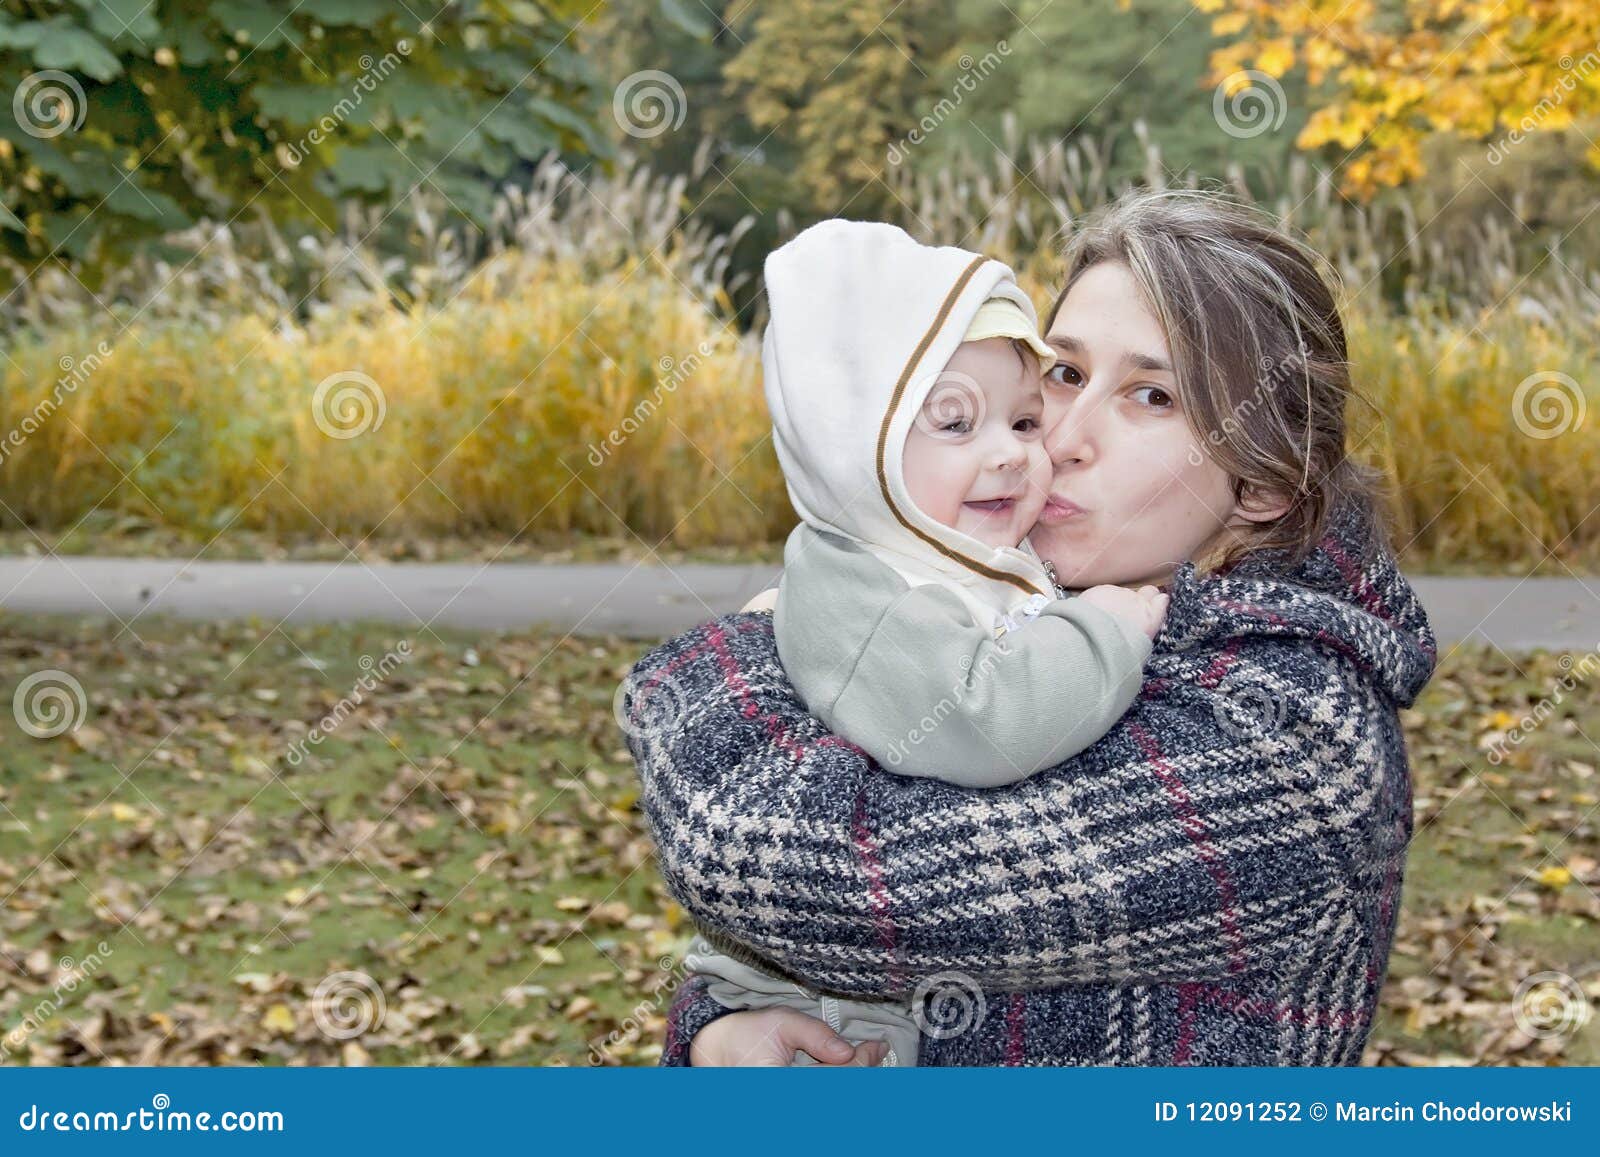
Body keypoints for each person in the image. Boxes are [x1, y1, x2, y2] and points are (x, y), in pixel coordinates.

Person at [625, 189, 1437, 1067]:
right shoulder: (1007, 607)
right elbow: (797, 956)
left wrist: (730, 657)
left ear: (1266, 481)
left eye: (1153, 395)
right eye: (1063, 373)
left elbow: (814, 876)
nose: (1066, 436)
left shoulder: (1290, 733)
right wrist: (718, 1033)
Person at [675, 219, 1166, 1067]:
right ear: (853, 447)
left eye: (1020, 420)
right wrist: (1108, 630)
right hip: (837, 1003)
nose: (1017, 455)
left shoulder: (948, 559)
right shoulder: (865, 583)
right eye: (954, 423)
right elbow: (986, 718)